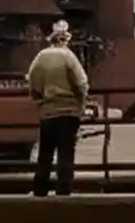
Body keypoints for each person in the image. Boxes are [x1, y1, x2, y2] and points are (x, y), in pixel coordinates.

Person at [26, 20, 89, 197]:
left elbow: (31, 79)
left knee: (45, 153)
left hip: (47, 112)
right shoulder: (68, 57)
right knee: (65, 153)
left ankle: (40, 189)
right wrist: (81, 103)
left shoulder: (41, 57)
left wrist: (38, 97)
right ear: (65, 39)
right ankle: (63, 190)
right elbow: (82, 83)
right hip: (68, 112)